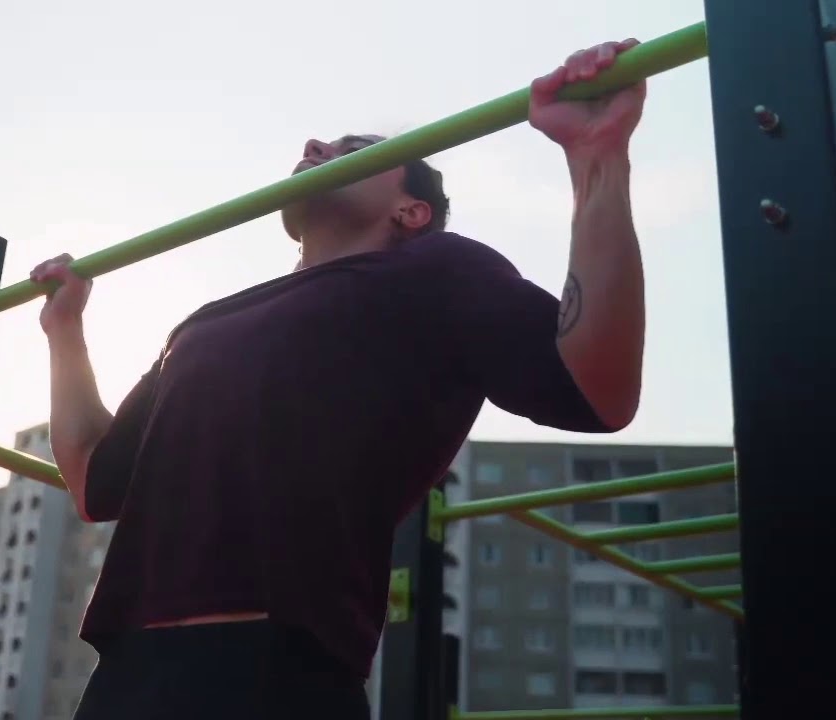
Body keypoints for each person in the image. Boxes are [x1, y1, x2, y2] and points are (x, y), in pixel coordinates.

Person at [32, 39, 647, 720]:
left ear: (410, 212)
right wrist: (66, 331)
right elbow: (95, 479)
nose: (316, 141)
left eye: (352, 148)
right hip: (127, 673)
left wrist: (597, 158)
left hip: (278, 671)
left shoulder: (435, 270)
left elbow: (599, 389)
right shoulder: (202, 324)